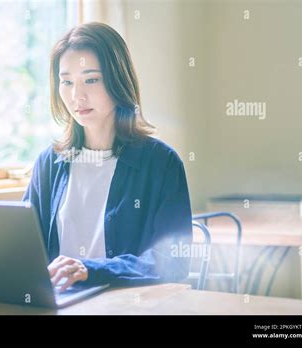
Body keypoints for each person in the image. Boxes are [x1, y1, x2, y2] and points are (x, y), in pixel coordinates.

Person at [23, 22, 193, 292]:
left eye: (91, 79)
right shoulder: (49, 164)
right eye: (66, 82)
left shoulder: (161, 163)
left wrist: (89, 270)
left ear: (117, 80)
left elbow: (173, 261)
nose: (77, 95)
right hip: (60, 305)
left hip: (127, 306)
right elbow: (23, 247)